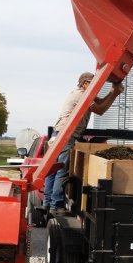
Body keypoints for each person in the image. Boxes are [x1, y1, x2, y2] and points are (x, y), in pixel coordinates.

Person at [44, 72, 125, 216]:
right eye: (94, 84)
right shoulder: (83, 95)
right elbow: (99, 110)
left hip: (58, 134)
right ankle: (56, 205)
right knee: (62, 171)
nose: (97, 88)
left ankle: (47, 202)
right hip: (66, 135)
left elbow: (99, 103)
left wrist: (113, 92)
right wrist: (115, 93)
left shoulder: (80, 94)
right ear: (86, 83)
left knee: (53, 170)